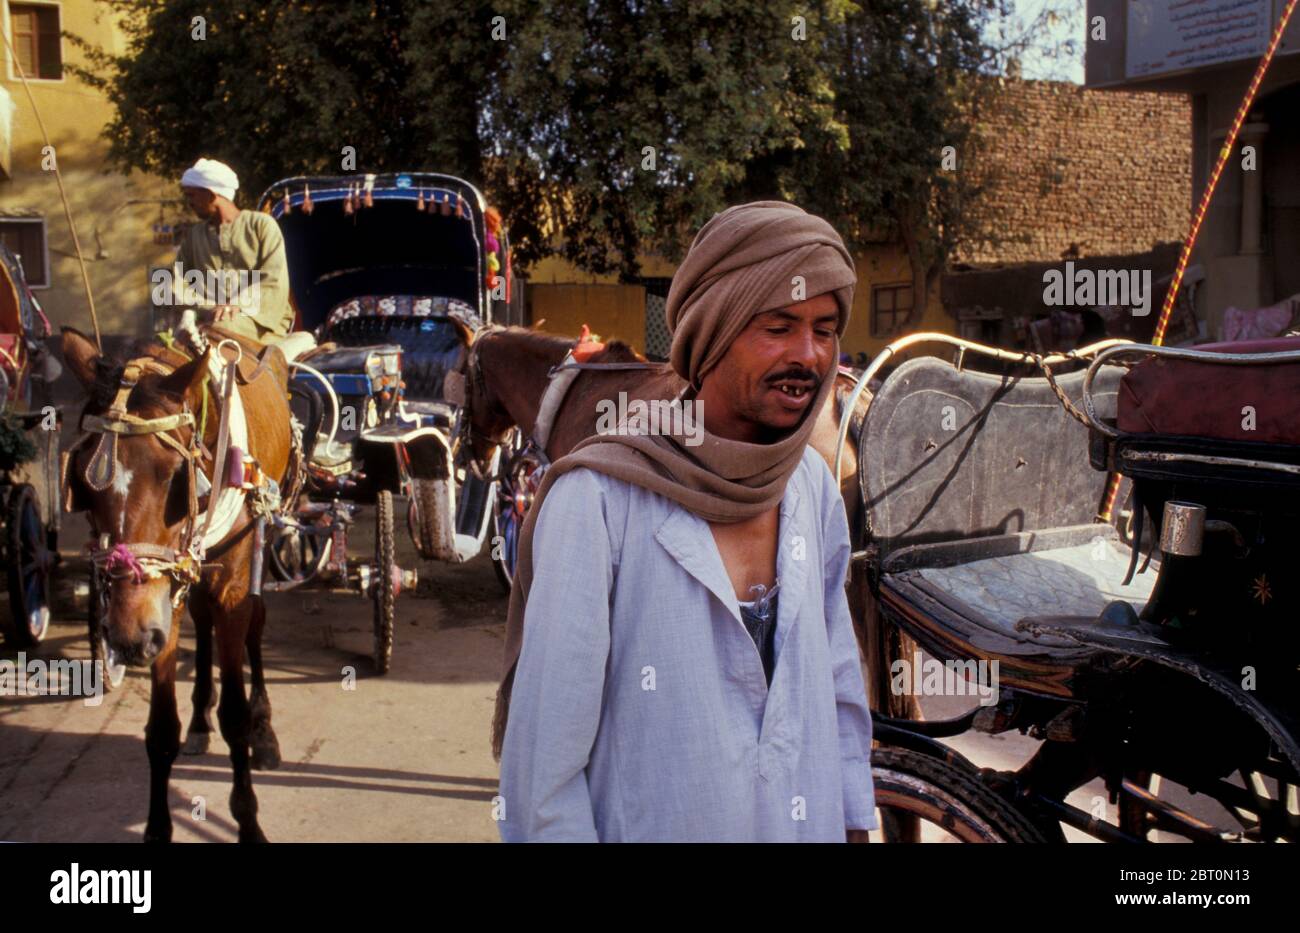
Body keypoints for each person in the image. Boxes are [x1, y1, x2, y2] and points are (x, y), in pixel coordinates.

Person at [495, 201, 877, 842]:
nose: (809, 355)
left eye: (825, 329)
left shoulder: (810, 486)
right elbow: (543, 784)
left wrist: (853, 823)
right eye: (778, 327)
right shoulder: (597, 503)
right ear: (711, 333)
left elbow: (838, 683)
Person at [172, 157, 293, 343]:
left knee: (222, 330)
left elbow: (273, 280)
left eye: (192, 195)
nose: (189, 202)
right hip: (208, 319)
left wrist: (238, 304)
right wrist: (208, 307)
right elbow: (178, 283)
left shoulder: (261, 225)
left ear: (211, 195)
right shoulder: (193, 236)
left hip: (260, 321)